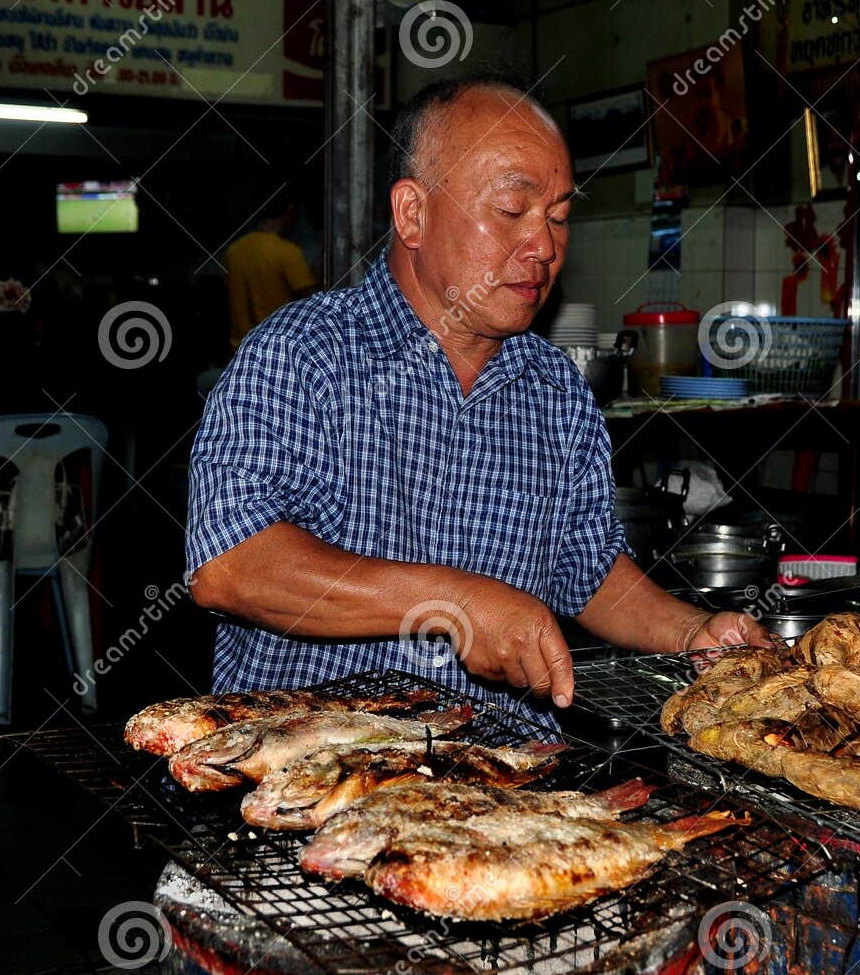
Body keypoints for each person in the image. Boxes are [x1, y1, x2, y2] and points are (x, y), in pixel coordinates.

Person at [186, 75, 772, 733]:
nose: (544, 246)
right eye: (512, 210)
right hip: (319, 774)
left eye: (558, 217)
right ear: (413, 213)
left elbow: (587, 569)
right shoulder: (303, 354)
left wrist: (692, 631)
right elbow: (231, 567)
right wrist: (456, 602)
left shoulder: (555, 389)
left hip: (501, 780)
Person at [223, 186, 317, 351]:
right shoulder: (288, 252)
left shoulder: (233, 251)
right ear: (290, 209)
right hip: (276, 350)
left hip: (240, 350)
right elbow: (312, 306)